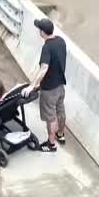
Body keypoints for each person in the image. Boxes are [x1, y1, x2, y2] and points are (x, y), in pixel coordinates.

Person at [23, 18, 68, 152]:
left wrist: (32, 86)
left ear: (42, 32)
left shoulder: (47, 47)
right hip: (60, 86)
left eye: (39, 29)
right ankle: (61, 135)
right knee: (60, 111)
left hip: (49, 89)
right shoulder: (61, 41)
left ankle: (51, 143)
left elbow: (44, 68)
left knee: (51, 117)